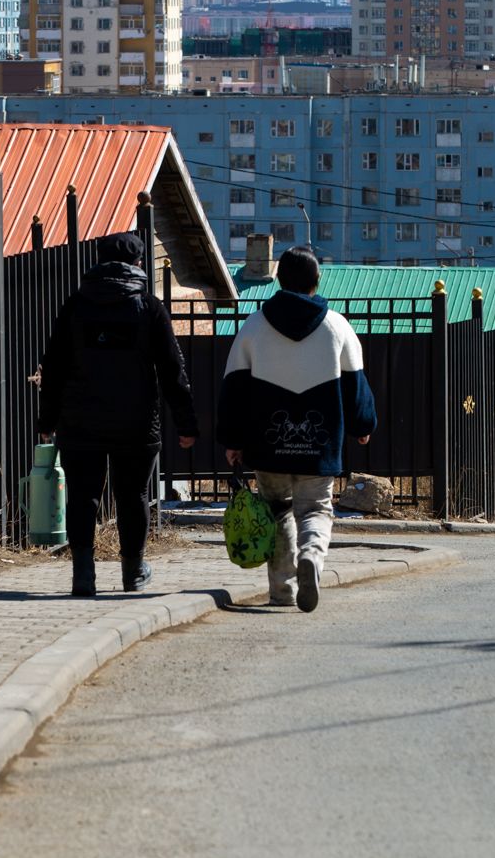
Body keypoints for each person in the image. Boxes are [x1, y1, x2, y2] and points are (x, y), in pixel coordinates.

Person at [37, 232, 197, 597]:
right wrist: (186, 423)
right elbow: (172, 370)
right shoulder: (149, 307)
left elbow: (54, 366)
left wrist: (47, 420)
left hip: (80, 420)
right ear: (139, 264)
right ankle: (133, 571)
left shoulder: (76, 305)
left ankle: (83, 575)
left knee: (83, 496)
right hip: (136, 423)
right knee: (133, 495)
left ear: (99, 261)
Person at [218, 247, 376, 612]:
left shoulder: (254, 327)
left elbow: (233, 389)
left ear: (278, 280)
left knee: (277, 512)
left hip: (267, 444)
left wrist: (233, 439)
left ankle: (282, 591)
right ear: (317, 280)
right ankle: (311, 557)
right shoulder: (336, 326)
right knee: (316, 510)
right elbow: (356, 386)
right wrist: (362, 425)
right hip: (320, 444)